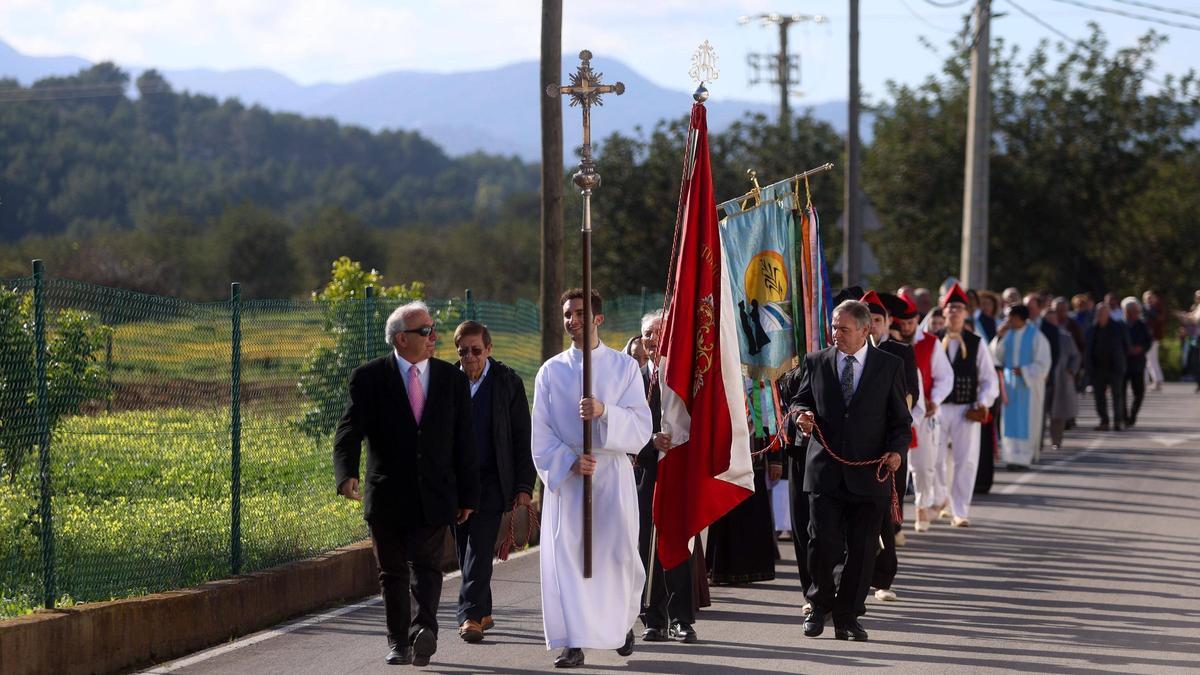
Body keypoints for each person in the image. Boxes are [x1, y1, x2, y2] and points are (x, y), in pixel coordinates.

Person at [333, 302, 479, 667]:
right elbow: (350, 430)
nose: (434, 337)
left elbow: (465, 441)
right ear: (401, 339)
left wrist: (468, 494)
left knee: (428, 566)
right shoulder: (369, 378)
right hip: (386, 495)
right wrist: (346, 472)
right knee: (392, 572)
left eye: (433, 329)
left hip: (434, 493)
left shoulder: (452, 379)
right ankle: (399, 641)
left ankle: (423, 630)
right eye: (425, 331)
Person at [532, 288, 651, 669]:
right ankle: (574, 640)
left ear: (598, 318)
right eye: (567, 314)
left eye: (581, 313)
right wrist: (568, 461)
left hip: (611, 474)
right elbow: (541, 432)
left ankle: (620, 624)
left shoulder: (624, 368)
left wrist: (604, 412)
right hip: (570, 479)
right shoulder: (551, 371)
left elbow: (642, 426)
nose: (573, 320)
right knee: (570, 559)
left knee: (617, 557)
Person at [790, 300, 912, 642]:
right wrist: (802, 416)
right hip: (824, 471)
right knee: (822, 544)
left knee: (861, 551)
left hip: (869, 473)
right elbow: (800, 400)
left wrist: (896, 452)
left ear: (865, 330)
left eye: (843, 329)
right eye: (833, 327)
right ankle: (818, 606)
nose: (836, 334)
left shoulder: (889, 366)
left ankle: (848, 617)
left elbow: (900, 421)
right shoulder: (816, 362)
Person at [451, 321, 535, 643]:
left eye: (475, 350)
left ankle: (470, 617)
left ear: (488, 349)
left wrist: (524, 485)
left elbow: (521, 436)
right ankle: (484, 611)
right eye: (463, 352)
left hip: (493, 481)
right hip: (456, 484)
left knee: (479, 549)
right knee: (463, 551)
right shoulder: (448, 382)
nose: (469, 357)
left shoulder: (507, 382)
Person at [632, 311, 698, 644]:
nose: (654, 339)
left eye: (660, 333)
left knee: (678, 547)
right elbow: (620, 425)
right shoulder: (631, 377)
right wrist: (649, 442)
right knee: (646, 548)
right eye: (648, 334)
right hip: (644, 477)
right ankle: (652, 618)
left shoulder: (683, 379)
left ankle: (681, 619)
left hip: (678, 475)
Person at [860, 291, 919, 603]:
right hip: (856, 446)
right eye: (867, 321)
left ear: (886, 323)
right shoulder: (846, 353)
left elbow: (911, 394)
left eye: (878, 321)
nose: (872, 327)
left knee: (886, 512)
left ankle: (883, 578)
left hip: (888, 443)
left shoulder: (899, 352)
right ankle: (853, 576)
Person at [934, 284, 999, 527]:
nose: (954, 312)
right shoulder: (933, 340)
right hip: (938, 408)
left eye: (959, 308)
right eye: (950, 307)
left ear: (966, 313)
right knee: (937, 458)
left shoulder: (975, 342)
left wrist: (982, 402)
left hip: (964, 409)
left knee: (966, 460)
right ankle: (940, 501)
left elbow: (988, 379)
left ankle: (960, 510)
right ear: (943, 310)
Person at [891, 292, 953, 531]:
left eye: (910, 322)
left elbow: (945, 377)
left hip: (924, 414)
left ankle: (922, 506)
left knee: (924, 465)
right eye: (902, 323)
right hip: (898, 414)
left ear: (917, 319)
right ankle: (901, 513)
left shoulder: (930, 342)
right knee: (901, 466)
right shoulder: (892, 343)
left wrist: (935, 400)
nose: (906, 327)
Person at [992, 304, 1052, 469]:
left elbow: (1044, 363)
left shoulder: (1036, 336)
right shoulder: (1008, 334)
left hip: (1028, 389)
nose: (1009, 320)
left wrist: (1024, 371)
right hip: (1010, 388)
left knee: (1027, 421)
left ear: (1020, 318)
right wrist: (999, 337)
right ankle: (1011, 458)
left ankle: (1024, 458)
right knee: (1009, 422)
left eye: (1012, 317)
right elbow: (996, 356)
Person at [1085, 304, 1129, 431]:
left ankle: (1118, 421)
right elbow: (1088, 348)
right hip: (1098, 367)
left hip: (1115, 367)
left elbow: (1126, 345)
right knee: (1099, 396)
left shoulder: (1118, 327)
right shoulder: (1093, 329)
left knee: (1117, 395)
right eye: (1098, 313)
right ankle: (1104, 420)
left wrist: (1121, 360)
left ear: (1108, 314)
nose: (1099, 316)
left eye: (1102, 313)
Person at [1047, 311, 1081, 449]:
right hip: (1042, 379)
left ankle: (1056, 440)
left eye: (1053, 321)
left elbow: (1076, 356)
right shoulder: (1039, 336)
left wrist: (1071, 370)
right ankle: (1036, 442)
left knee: (1058, 412)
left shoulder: (1065, 337)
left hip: (1060, 379)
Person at [1121, 298, 1152, 428]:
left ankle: (1133, 415)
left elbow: (1148, 342)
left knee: (1139, 391)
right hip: (1122, 363)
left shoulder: (1142, 325)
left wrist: (1141, 348)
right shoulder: (1119, 325)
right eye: (1132, 310)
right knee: (1120, 392)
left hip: (1138, 363)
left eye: (1136, 310)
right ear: (1126, 311)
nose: (1135, 313)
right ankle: (1123, 416)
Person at [1143, 291, 1166, 391]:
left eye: (1150, 298)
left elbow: (1159, 320)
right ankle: (1157, 380)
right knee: (1151, 360)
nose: (1149, 300)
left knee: (1150, 360)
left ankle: (1157, 381)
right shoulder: (1147, 308)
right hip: (1149, 337)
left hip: (1153, 337)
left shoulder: (1155, 309)